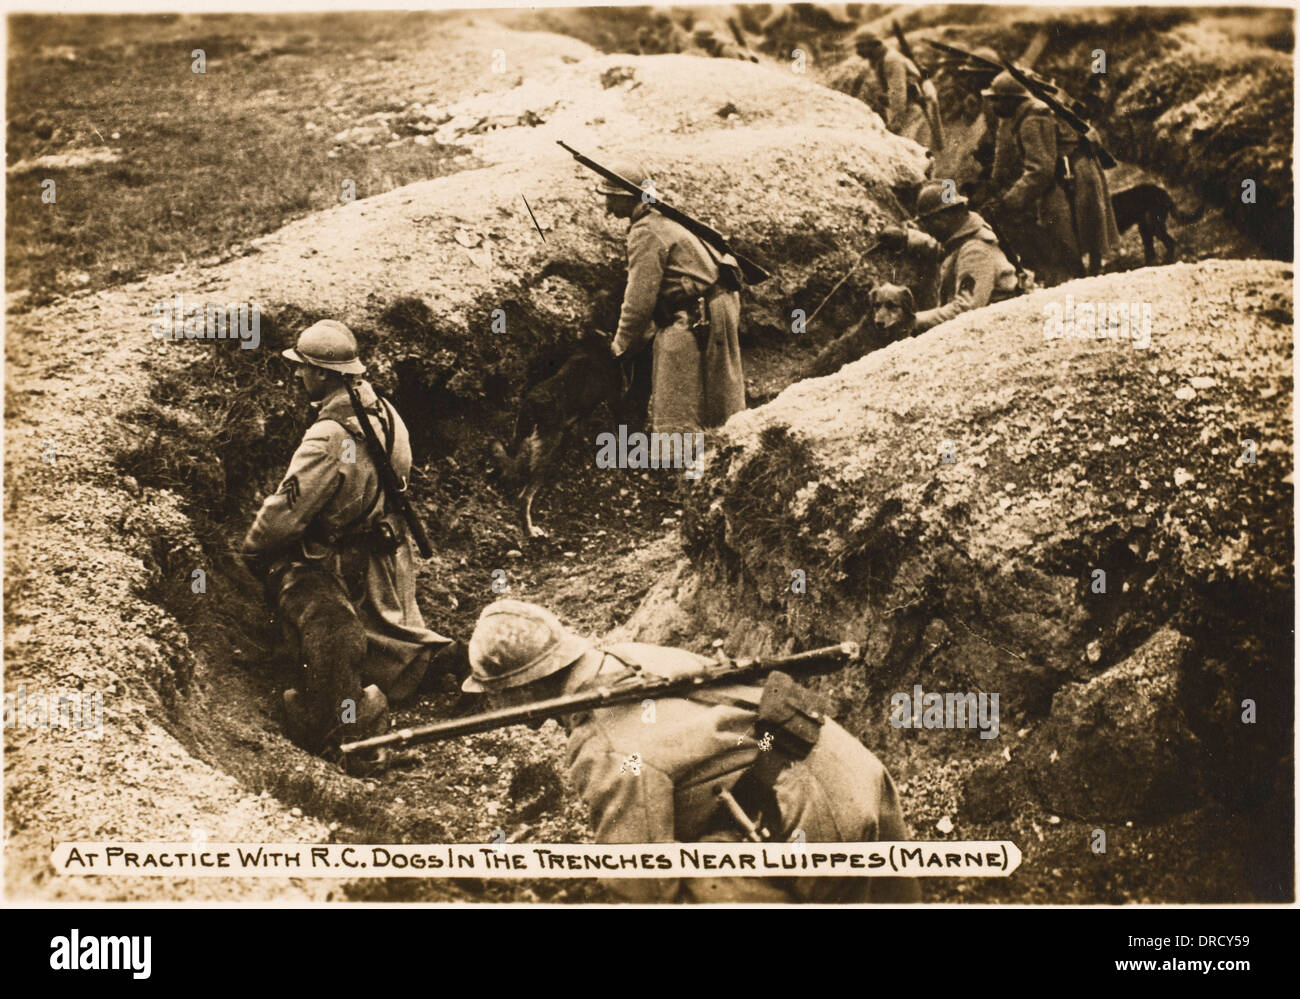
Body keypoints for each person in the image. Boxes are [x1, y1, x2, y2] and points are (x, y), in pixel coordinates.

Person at [462, 599, 921, 903]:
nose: (492, 703)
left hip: (809, 820)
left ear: (524, 689)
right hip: (848, 768)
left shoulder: (603, 748)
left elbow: (644, 882)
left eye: (493, 692)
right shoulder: (631, 656)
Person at [242, 320, 454, 753]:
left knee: (319, 615)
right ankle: (435, 665)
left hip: (342, 564)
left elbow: (287, 511)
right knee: (393, 643)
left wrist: (252, 552)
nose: (298, 376)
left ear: (323, 373)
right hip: (389, 561)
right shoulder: (386, 413)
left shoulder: (328, 436)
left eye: (303, 368)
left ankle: (329, 705)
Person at [601, 159, 746, 452]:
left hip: (698, 312)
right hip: (718, 303)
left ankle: (683, 458)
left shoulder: (647, 231)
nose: (606, 205)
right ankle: (718, 447)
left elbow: (638, 301)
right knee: (717, 385)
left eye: (610, 196)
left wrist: (619, 346)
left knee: (675, 387)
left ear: (625, 197)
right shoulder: (663, 218)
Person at [982, 69, 1083, 285]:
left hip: (1053, 188)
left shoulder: (1033, 119)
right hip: (1039, 187)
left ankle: (1067, 283)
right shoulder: (1013, 118)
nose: (993, 106)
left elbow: (1040, 170)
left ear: (1012, 100)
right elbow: (1003, 154)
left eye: (997, 100)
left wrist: (1010, 200)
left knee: (1058, 242)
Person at [878, 179, 1019, 332]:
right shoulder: (965, 235)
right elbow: (946, 251)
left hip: (996, 329)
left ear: (942, 219)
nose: (927, 229)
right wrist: (907, 238)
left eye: (928, 222)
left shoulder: (976, 251)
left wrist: (914, 321)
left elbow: (966, 308)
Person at [854, 29, 943, 152]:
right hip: (909, 104)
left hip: (918, 105)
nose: (858, 52)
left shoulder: (891, 60)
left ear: (872, 44)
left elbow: (898, 92)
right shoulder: (879, 59)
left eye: (860, 46)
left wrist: (896, 123)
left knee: (914, 150)